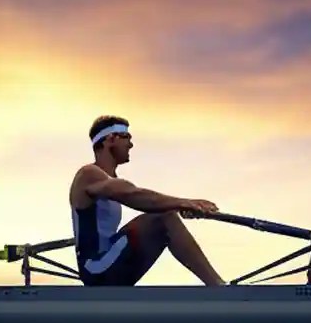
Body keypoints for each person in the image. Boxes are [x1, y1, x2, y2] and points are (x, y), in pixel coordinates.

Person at [69, 115, 225, 286]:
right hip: (96, 269)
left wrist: (179, 208)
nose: (131, 144)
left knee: (166, 219)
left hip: (108, 264)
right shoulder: (88, 174)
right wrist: (184, 203)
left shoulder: (109, 180)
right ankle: (217, 286)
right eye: (126, 137)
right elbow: (134, 196)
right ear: (109, 140)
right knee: (165, 218)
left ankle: (216, 285)